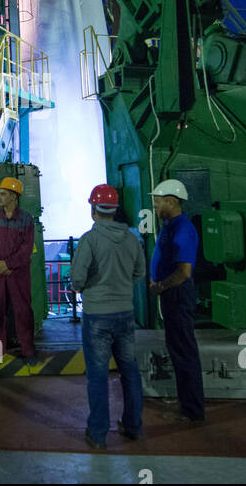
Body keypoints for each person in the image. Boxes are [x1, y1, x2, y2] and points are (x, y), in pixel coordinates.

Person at [71, 184, 146, 450]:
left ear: (94, 210)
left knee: (98, 376)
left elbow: (77, 280)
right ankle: (134, 426)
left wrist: (89, 287)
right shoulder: (131, 238)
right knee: (130, 371)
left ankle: (99, 434)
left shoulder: (89, 240)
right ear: (114, 210)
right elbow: (139, 273)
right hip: (125, 314)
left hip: (97, 318)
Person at [148, 178, 205, 424]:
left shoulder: (182, 229)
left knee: (184, 352)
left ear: (172, 202)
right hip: (172, 294)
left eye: (158, 202)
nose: (155, 207)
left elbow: (183, 272)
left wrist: (161, 285)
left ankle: (192, 411)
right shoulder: (171, 225)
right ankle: (187, 404)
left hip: (178, 294)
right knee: (178, 349)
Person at [0, 176, 37, 361]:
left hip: (18, 274)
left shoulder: (26, 220)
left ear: (14, 196)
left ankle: (28, 350)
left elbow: (26, 248)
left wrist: (9, 264)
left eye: (3, 194)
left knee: (23, 312)